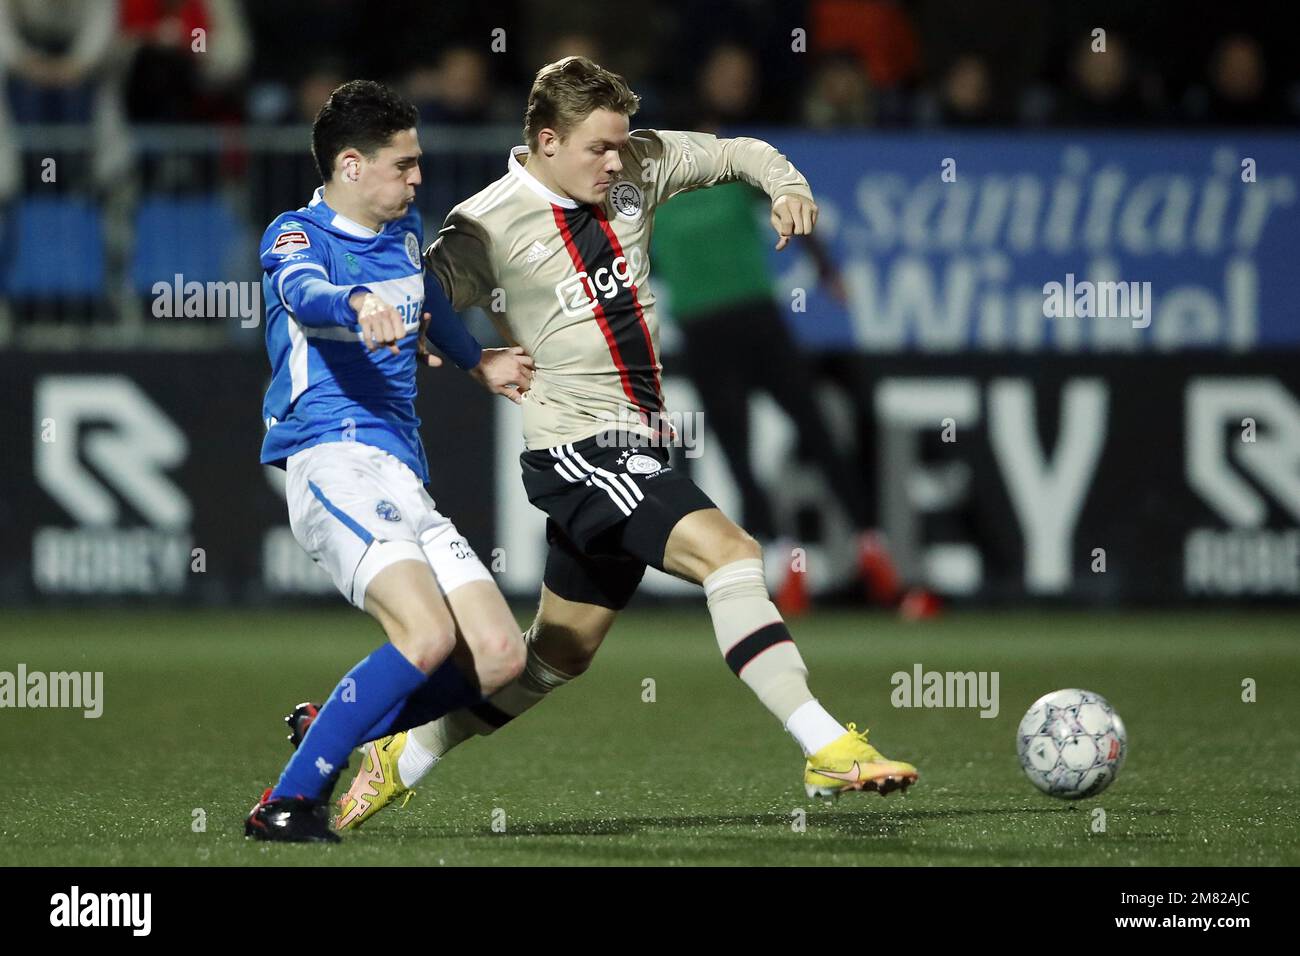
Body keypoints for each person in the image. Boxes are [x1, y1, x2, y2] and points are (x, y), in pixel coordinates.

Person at [326, 57, 919, 831]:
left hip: (633, 445)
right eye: (597, 149)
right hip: (578, 450)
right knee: (731, 553)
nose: (616, 161)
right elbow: (419, 299)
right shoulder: (486, 226)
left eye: (620, 145)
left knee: (555, 657)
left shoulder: (640, 162)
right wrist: (425, 333)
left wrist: (787, 188)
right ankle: (824, 742)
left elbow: (738, 152)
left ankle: (397, 757)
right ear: (545, 140)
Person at [243, 80, 535, 842]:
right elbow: (303, 293)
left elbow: (430, 305)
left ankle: (331, 729)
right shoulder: (298, 234)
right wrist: (352, 305)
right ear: (350, 165)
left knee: (502, 657)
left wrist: (478, 362)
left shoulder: (404, 239)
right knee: (427, 636)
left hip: (402, 473)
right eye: (403, 165)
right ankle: (287, 804)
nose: (416, 179)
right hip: (330, 459)